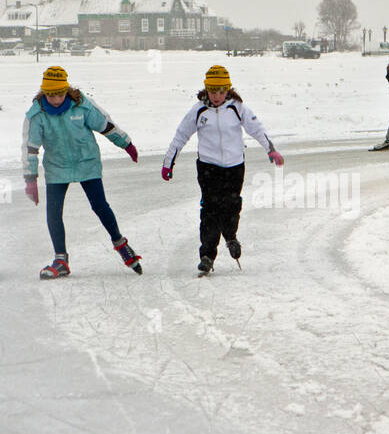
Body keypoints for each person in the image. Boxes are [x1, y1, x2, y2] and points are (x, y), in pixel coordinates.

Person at [162, 64, 283, 274]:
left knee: (231, 204)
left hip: (234, 166)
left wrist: (270, 149)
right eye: (212, 91)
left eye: (220, 91)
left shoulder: (238, 107)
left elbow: (256, 128)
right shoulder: (198, 110)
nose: (216, 96)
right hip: (208, 167)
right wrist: (168, 163)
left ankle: (230, 236)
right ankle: (207, 255)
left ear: (227, 90)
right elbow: (181, 135)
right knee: (210, 209)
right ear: (206, 90)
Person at [22, 65, 141, 278]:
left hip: (86, 162)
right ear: (44, 92)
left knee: (99, 205)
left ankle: (120, 244)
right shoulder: (37, 114)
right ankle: (60, 259)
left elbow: (106, 125)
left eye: (59, 94)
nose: (55, 99)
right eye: (50, 95)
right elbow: (30, 148)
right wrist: (30, 178)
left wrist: (126, 144)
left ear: (66, 90)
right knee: (53, 212)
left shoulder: (81, 105)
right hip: (57, 167)